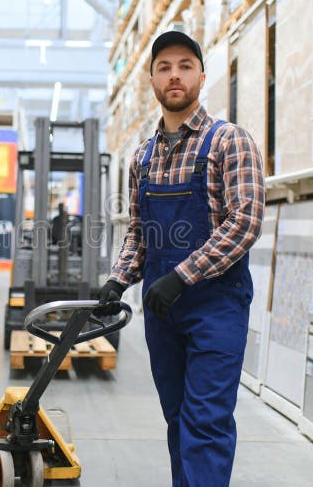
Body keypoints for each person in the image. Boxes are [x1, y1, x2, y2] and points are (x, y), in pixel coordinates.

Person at [97, 30, 265, 486]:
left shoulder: (229, 141)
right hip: (162, 310)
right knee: (177, 418)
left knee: (205, 423)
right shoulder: (143, 158)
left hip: (216, 305)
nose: (175, 75)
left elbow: (244, 222)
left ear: (202, 77)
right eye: (165, 67)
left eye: (185, 66)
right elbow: (139, 231)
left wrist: (181, 275)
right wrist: (118, 279)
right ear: (152, 79)